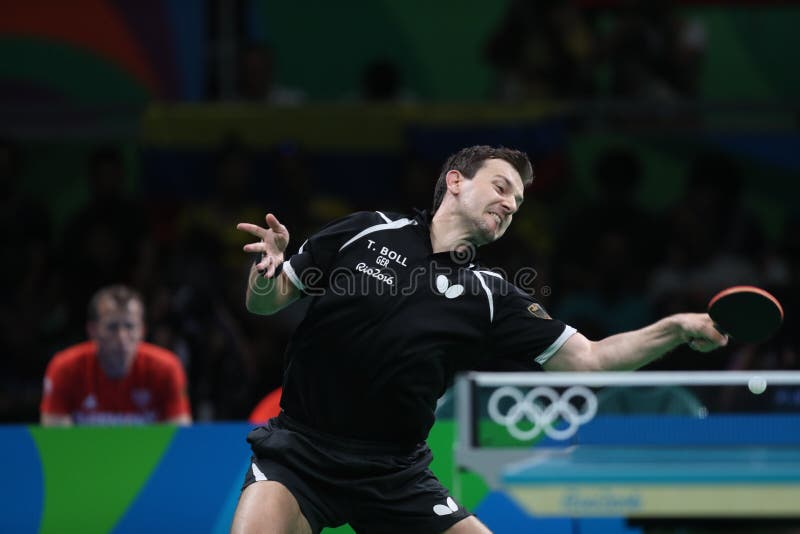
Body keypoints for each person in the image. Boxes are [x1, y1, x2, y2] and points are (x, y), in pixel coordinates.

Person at [233, 145, 727, 533]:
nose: (510, 204)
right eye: (501, 187)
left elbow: (591, 359)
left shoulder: (491, 296)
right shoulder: (367, 231)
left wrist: (676, 329)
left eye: (518, 202)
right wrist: (265, 271)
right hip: (302, 454)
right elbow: (265, 301)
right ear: (455, 181)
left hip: (393, 473)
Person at [40, 285, 192, 426]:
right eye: (112, 327)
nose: (121, 337)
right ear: (93, 330)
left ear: (142, 331)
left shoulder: (167, 368)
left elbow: (180, 438)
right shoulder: (64, 368)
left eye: (130, 326)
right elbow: (55, 440)